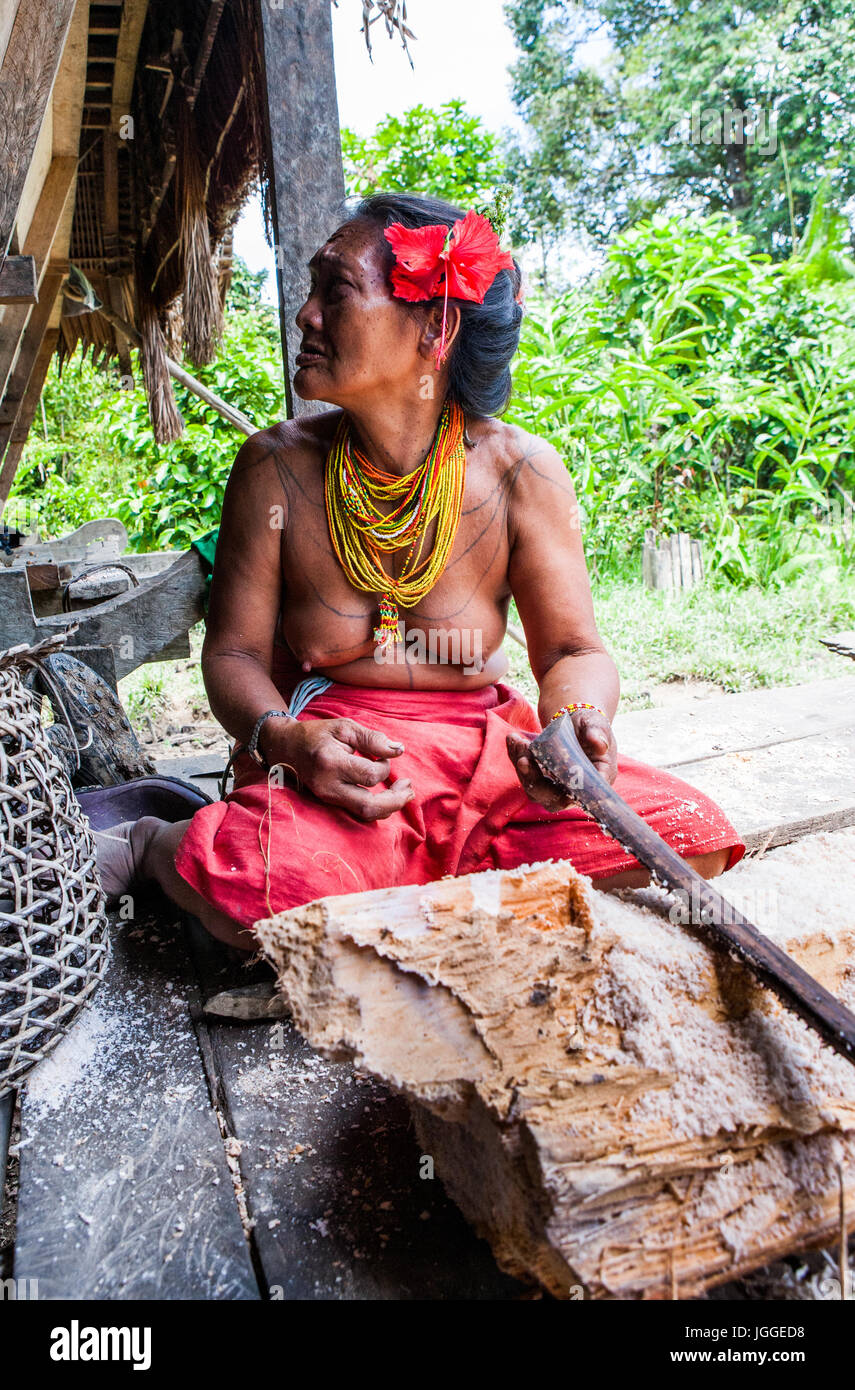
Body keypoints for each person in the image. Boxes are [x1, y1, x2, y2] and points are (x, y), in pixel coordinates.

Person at [96, 192, 744, 950]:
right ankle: (153, 845)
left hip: (487, 754)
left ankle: (411, 884)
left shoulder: (521, 471)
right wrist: (284, 741)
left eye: (334, 290)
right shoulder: (274, 469)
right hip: (343, 762)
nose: (305, 314)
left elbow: (572, 653)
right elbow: (234, 654)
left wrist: (574, 731)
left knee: (689, 835)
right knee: (264, 891)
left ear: (435, 326)